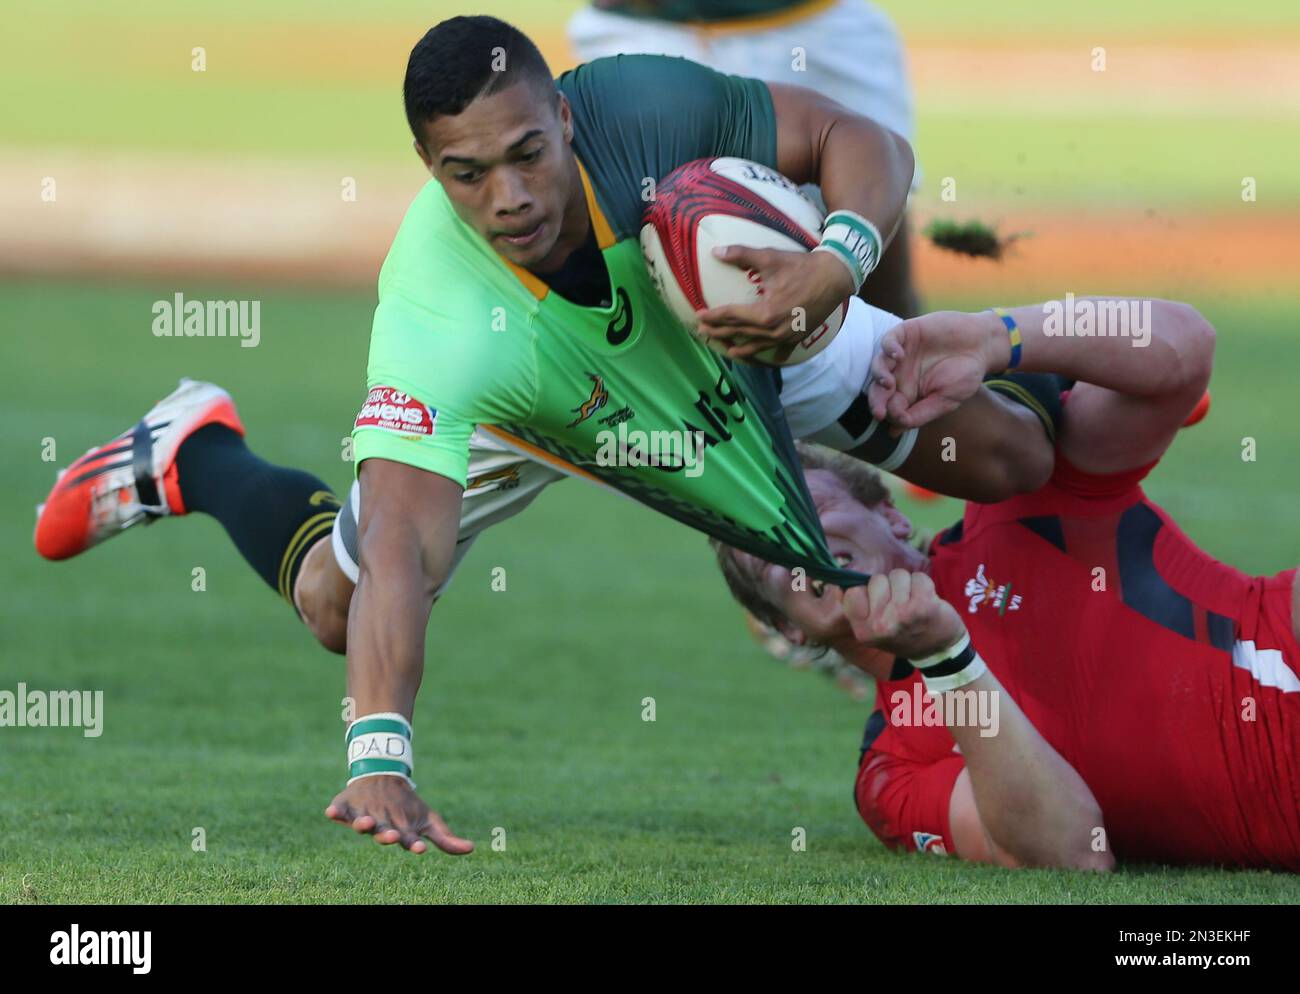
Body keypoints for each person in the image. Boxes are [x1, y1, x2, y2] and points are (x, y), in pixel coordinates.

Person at [35, 15, 1058, 857]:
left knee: (1012, 456)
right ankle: (195, 452)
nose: (510, 196)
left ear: (565, 117)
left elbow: (858, 138)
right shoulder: (436, 313)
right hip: (528, 395)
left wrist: (831, 266)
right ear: (429, 167)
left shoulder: (641, 109)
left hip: (715, 326)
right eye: (467, 173)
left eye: (528, 154)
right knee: (337, 608)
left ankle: (1077, 533)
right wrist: (378, 756)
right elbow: (400, 536)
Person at [713, 296, 1300, 870]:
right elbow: (1073, 851)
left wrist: (996, 337)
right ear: (788, 628)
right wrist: (946, 659)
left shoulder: (1022, 504)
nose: (798, 545)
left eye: (808, 509)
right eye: (770, 558)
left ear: (889, 514)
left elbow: (1186, 344)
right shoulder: (892, 771)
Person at [568, 0, 922, 317]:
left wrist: (843, 263)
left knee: (864, 200)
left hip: (814, 22)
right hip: (650, 29)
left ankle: (890, 367)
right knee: (662, 234)